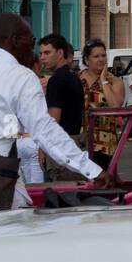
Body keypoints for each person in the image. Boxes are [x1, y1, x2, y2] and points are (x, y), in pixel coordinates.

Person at [0, 14, 105, 209]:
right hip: (2, 181)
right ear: (14, 41)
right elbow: (45, 130)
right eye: (31, 42)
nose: (34, 52)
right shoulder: (22, 77)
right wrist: (92, 170)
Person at [39, 33, 87, 181]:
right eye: (41, 54)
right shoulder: (74, 78)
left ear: (60, 53)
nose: (42, 58)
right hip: (75, 143)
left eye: (47, 53)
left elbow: (53, 120)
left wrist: (42, 148)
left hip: (60, 147)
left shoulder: (56, 80)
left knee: (61, 193)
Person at [80, 40, 126, 167]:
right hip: (79, 142)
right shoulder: (77, 79)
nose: (101, 59)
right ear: (86, 60)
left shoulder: (115, 81)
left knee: (103, 183)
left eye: (103, 55)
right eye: (96, 56)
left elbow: (115, 106)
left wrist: (103, 81)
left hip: (104, 144)